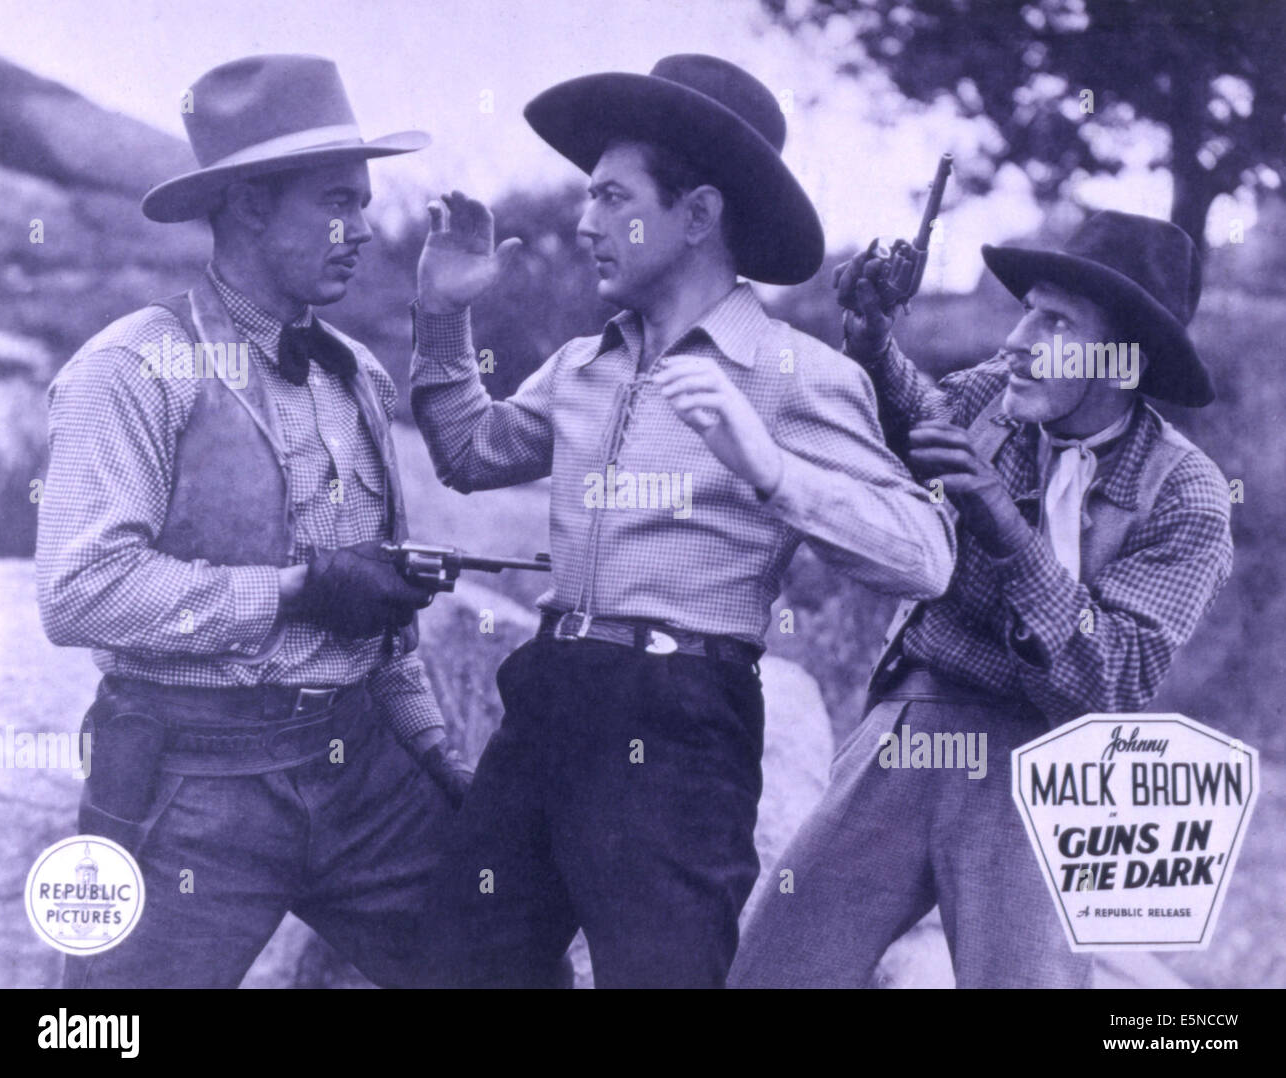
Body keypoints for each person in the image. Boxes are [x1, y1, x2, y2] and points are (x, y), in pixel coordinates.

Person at [408, 54, 956, 988]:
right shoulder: (583, 364)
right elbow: (469, 454)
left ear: (697, 215)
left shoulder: (800, 377)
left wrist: (772, 468)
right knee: (460, 967)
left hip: (678, 725)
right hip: (548, 697)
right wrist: (440, 316)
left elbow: (924, 555)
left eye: (610, 197)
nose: (583, 224)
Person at [36, 54, 471, 988]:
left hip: (366, 777)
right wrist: (300, 589)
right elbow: (79, 593)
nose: (359, 230)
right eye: (334, 203)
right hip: (187, 786)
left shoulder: (356, 370)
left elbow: (384, 624)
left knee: (506, 969)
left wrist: (438, 756)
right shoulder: (129, 369)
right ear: (246, 207)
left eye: (362, 200)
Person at [729, 210, 1235, 988]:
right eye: (1025, 309)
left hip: (1049, 767)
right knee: (772, 968)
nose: (1015, 341)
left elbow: (1114, 685)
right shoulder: (996, 396)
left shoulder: (1187, 493)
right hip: (915, 723)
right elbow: (912, 416)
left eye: (1054, 322)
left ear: (1125, 364)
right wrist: (870, 341)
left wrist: (1002, 523)